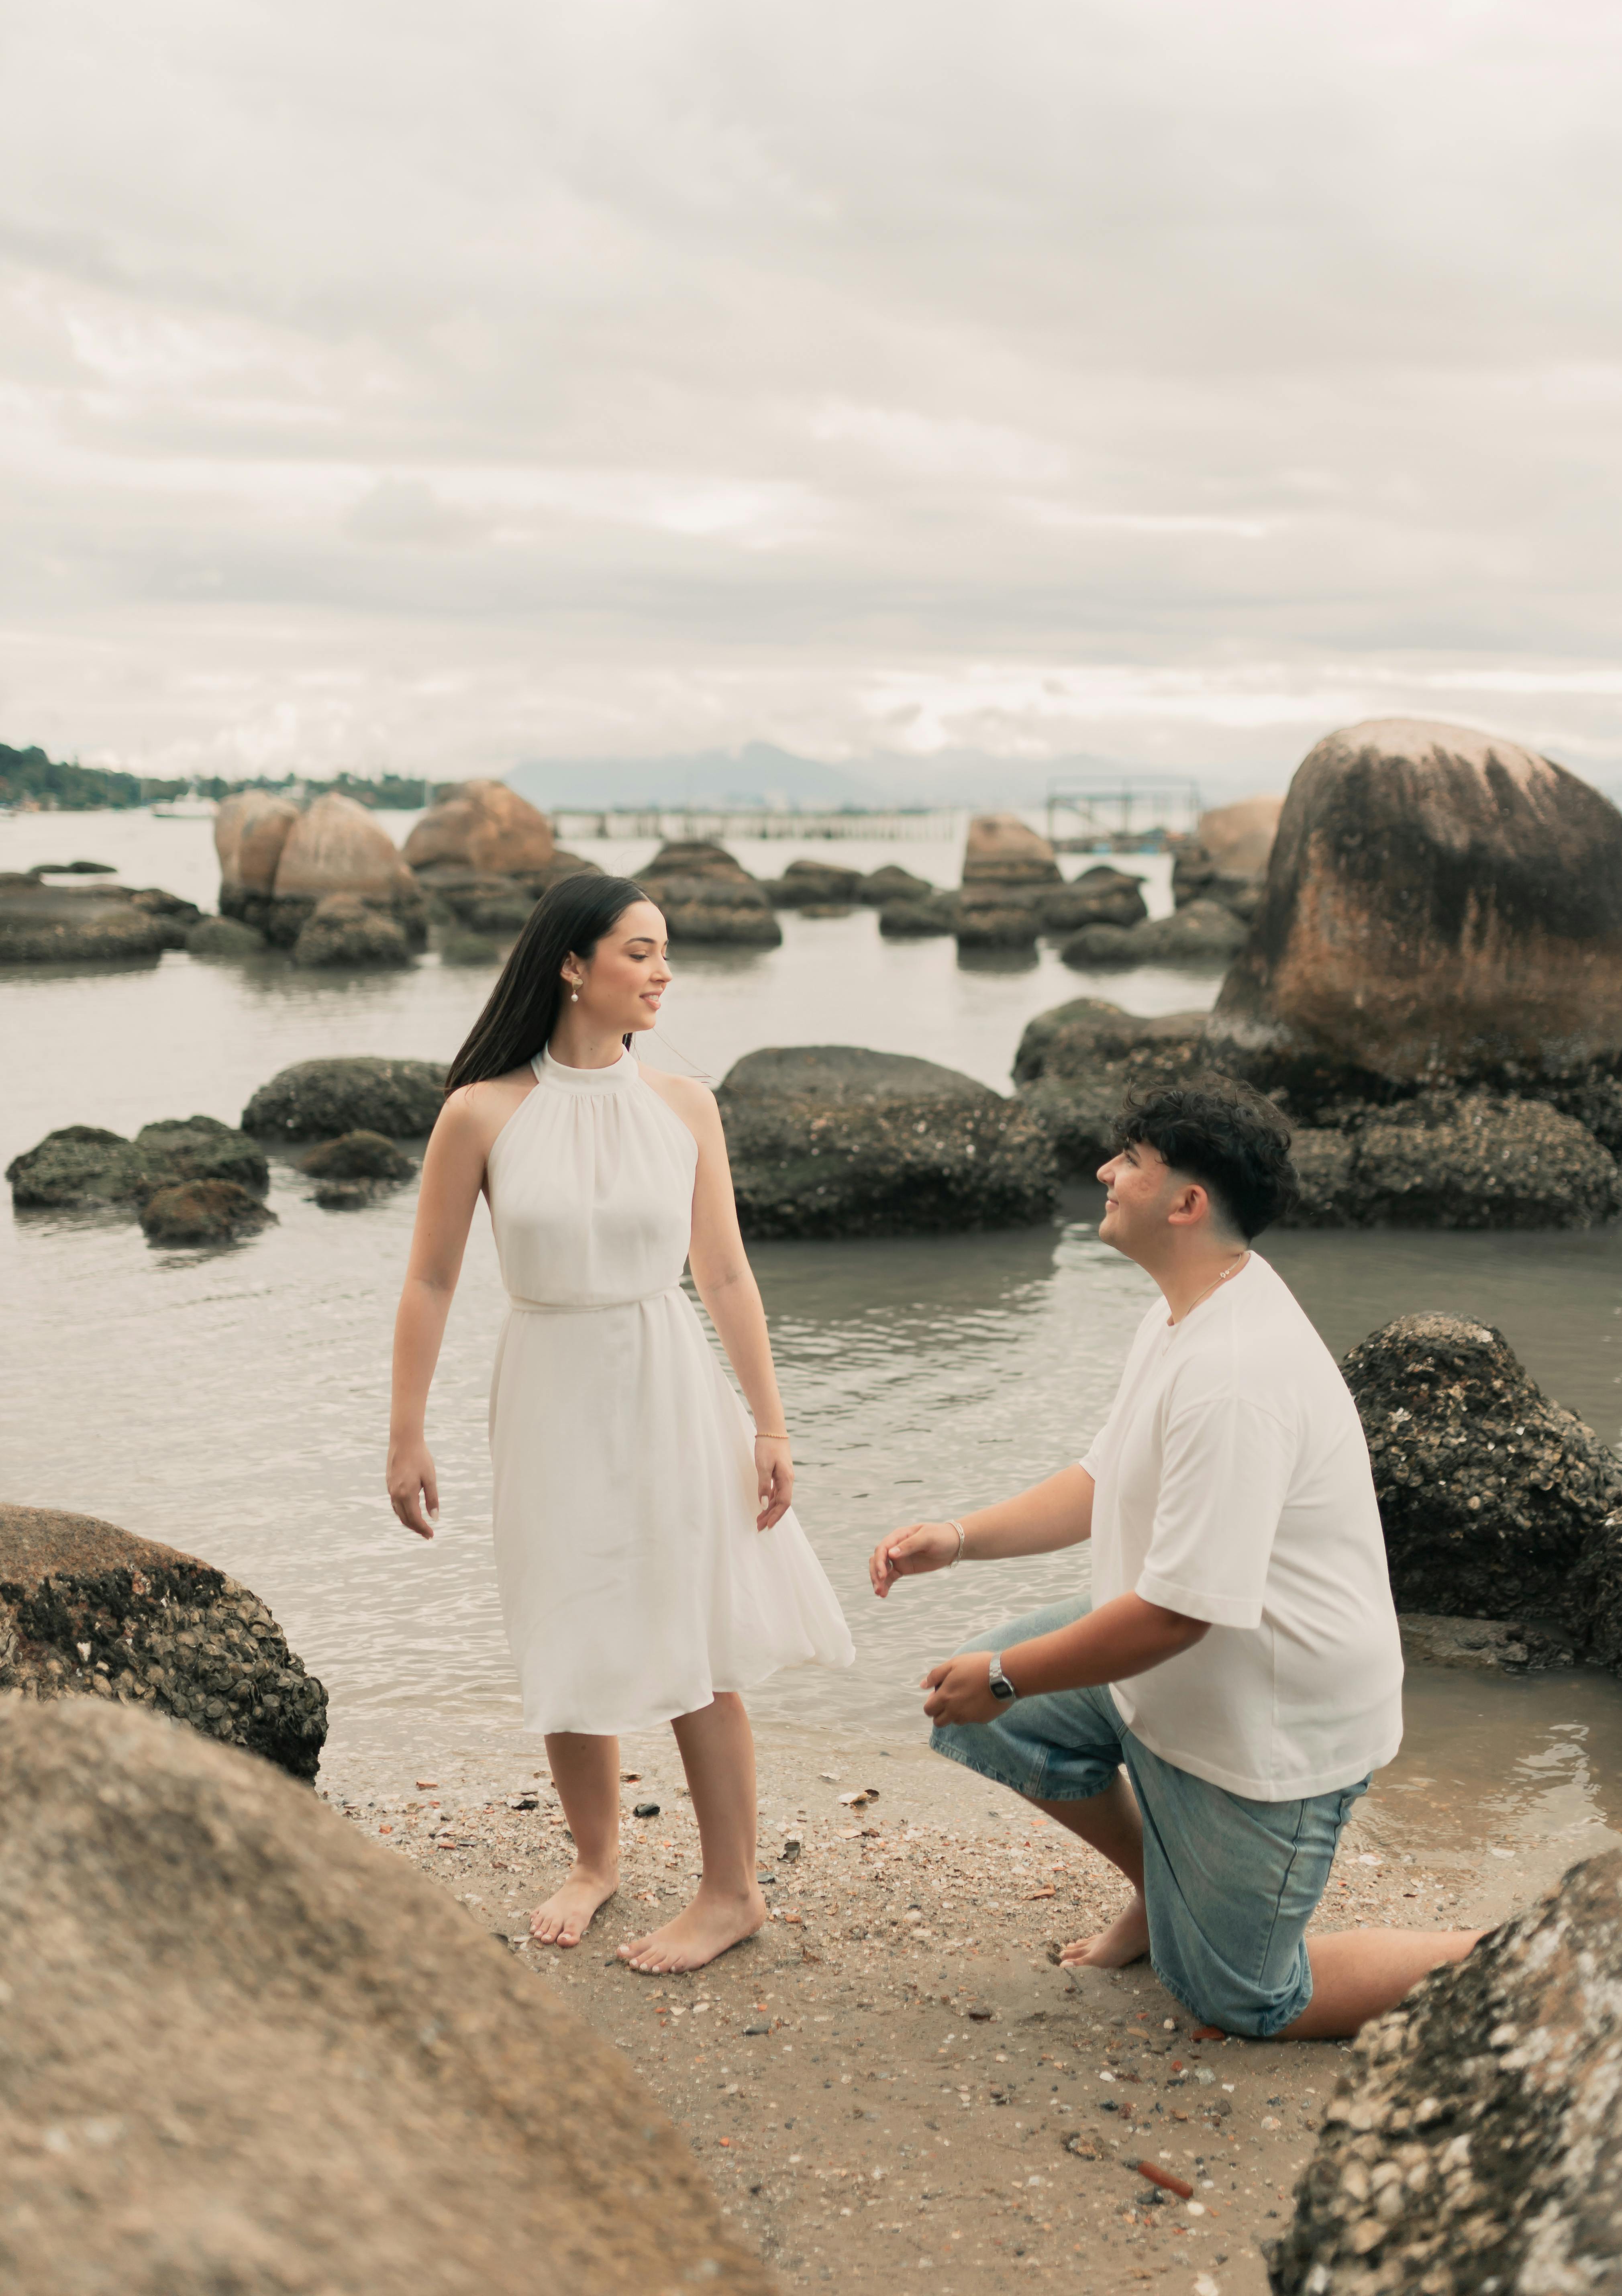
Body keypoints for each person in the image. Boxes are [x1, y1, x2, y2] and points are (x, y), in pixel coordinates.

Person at [869, 1081, 1483, 2040]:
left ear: (1186, 1204)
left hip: (1268, 1730)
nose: (1106, 1173)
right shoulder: (1185, 1309)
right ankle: (1167, 1898)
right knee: (997, 1720)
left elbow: (1175, 1617)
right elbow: (1101, 1478)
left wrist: (1002, 1674)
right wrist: (960, 1537)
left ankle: (1522, 1950)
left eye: (1132, 1162)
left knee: (1244, 2002)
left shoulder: (1234, 1375)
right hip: (1180, 1677)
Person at [387, 872, 853, 1974]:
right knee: (564, 1614)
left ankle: (731, 1890)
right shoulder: (483, 1111)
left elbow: (727, 1275)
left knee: (700, 1625)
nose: (662, 971)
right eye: (640, 951)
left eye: (664, 951)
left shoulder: (685, 1104)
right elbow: (430, 1280)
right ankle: (596, 1860)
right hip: (546, 1377)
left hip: (667, 1377)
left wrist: (771, 1424)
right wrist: (406, 1432)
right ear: (571, 965)